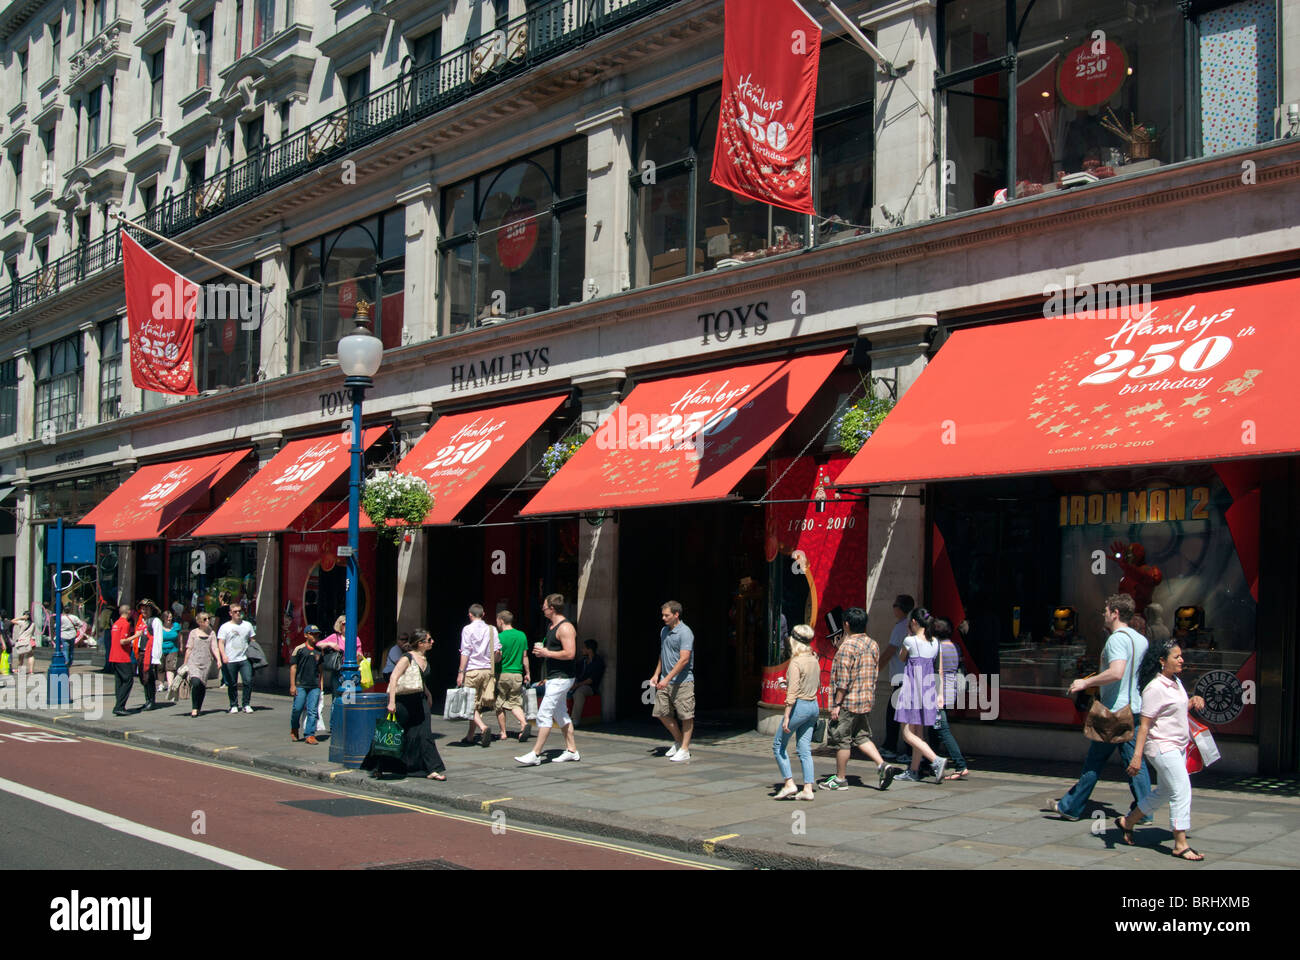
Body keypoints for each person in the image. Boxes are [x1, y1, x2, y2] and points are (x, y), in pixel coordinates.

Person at [1052, 593, 1151, 821]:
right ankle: (1144, 811)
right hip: (1134, 709)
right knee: (1135, 762)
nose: (1104, 614)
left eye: (1106, 610)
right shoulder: (1140, 639)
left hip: (1114, 711)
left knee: (1094, 763)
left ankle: (1070, 807)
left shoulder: (1116, 639)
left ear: (1115, 613)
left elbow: (1116, 672)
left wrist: (1085, 682)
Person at [1114, 640, 1207, 860]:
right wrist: (1136, 757)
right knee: (1181, 789)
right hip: (1162, 747)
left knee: (1165, 791)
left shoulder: (1175, 681)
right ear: (1162, 661)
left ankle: (1127, 822)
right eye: (1177, 657)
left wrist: (1192, 700)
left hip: (1178, 745)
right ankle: (1180, 844)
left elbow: (1175, 709)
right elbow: (1144, 726)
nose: (1182, 660)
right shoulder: (1154, 688)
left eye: (1181, 656)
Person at [818, 606, 898, 791]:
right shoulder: (872, 644)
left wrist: (837, 704)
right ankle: (882, 765)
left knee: (842, 740)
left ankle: (840, 779)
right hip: (865, 699)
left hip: (848, 702)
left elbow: (843, 681)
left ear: (846, 624)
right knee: (861, 736)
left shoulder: (847, 647)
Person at [362, 629, 446, 780]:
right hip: (403, 701)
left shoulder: (424, 658)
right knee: (393, 734)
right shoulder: (407, 658)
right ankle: (378, 766)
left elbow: (419, 678)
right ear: (420, 643)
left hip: (419, 700)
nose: (432, 642)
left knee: (424, 734)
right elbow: (393, 677)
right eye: (429, 640)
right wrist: (392, 702)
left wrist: (427, 693)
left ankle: (432, 769)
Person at [515, 594, 580, 766]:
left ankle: (535, 754)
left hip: (562, 677)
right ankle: (572, 750)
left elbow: (570, 653)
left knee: (544, 714)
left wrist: (546, 653)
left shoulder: (565, 628)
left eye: (544, 606)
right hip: (554, 677)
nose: (542, 609)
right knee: (561, 713)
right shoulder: (552, 626)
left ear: (552, 608)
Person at [894, 609, 947, 783]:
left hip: (912, 688)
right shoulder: (936, 643)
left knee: (907, 733)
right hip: (928, 688)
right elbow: (939, 670)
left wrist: (908, 636)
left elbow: (902, 658)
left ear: (914, 622)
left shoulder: (910, 640)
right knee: (918, 733)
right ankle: (914, 770)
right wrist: (940, 694)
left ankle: (935, 759)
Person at [772, 625, 821, 800]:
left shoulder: (796, 662)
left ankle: (789, 783)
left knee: (778, 746)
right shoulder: (814, 658)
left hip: (799, 707)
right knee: (804, 748)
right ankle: (808, 788)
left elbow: (792, 694)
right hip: (813, 706)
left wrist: (786, 716)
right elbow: (814, 684)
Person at [650, 600, 695, 762]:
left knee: (686, 715)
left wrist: (667, 678)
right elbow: (663, 654)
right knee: (661, 712)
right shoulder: (664, 631)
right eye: (663, 615)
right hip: (664, 680)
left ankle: (685, 748)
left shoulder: (685, 632)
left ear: (676, 615)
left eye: (666, 615)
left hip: (683, 681)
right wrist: (656, 674)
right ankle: (678, 741)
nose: (663, 618)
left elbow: (684, 659)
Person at [457, 603, 501, 747]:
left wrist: (461, 672)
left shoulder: (467, 629)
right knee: (477, 705)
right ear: (483, 614)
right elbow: (497, 653)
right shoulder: (492, 629)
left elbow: (465, 651)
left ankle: (483, 728)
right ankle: (470, 735)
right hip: (488, 670)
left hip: (472, 670)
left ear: (470, 615)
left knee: (470, 704)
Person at [879, 594, 914, 761]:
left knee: (895, 714)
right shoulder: (908, 626)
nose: (893, 607)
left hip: (901, 677)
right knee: (900, 714)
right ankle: (899, 747)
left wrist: (876, 668)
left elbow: (890, 651)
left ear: (899, 608)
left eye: (894, 604)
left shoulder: (900, 627)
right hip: (904, 676)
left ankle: (894, 747)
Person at [934, 618, 970, 780]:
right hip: (951, 691)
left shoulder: (938, 648)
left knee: (943, 730)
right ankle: (929, 763)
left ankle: (960, 765)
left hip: (939, 693)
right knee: (934, 728)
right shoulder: (955, 646)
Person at [494, 610, 531, 742]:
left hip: (503, 673)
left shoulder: (499, 637)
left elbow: (497, 657)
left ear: (501, 621)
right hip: (517, 674)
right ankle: (523, 723)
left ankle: (503, 732)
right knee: (515, 702)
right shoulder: (522, 635)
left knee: (500, 703)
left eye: (497, 620)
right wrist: (527, 673)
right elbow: (525, 656)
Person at [217, 602, 257, 714]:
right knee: (232, 683)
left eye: (240, 611)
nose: (238, 613)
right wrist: (223, 656)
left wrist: (254, 653)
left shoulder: (247, 625)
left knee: (248, 681)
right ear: (230, 613)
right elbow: (221, 642)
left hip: (244, 658)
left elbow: (252, 640)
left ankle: (246, 704)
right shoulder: (225, 627)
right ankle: (233, 704)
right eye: (235, 611)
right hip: (230, 659)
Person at [289, 626, 325, 744]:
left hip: (314, 685)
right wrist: (292, 685)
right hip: (301, 684)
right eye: (312, 634)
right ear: (306, 635)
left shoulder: (319, 651)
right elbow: (293, 667)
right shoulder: (299, 649)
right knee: (297, 708)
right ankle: (294, 728)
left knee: (313, 710)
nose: (314, 636)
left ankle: (310, 734)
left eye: (316, 634)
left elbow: (320, 670)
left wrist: (321, 686)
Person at [316, 615, 352, 735]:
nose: (346, 626)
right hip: (338, 671)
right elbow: (319, 644)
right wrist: (331, 645)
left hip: (350, 672)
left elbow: (360, 652)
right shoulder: (334, 637)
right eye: (344, 623)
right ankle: (334, 725)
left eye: (348, 623)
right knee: (336, 698)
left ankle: (347, 724)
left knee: (349, 699)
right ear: (339, 625)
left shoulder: (354, 638)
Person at [183, 612, 218, 717]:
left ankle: (199, 707)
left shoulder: (212, 633)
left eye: (208, 619)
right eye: (205, 619)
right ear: (199, 622)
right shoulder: (193, 633)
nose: (208, 621)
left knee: (202, 685)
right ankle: (194, 708)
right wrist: (185, 663)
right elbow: (189, 649)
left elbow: (215, 648)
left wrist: (219, 660)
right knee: (196, 682)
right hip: (193, 662)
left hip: (206, 662)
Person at [108, 605, 140, 716]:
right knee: (128, 680)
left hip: (113, 656)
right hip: (122, 656)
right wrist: (136, 635)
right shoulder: (125, 624)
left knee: (119, 681)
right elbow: (123, 641)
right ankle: (119, 706)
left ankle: (119, 704)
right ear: (128, 612)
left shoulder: (116, 623)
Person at [135, 600, 164, 710]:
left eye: (146, 608)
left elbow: (157, 639)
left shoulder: (155, 621)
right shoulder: (141, 621)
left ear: (151, 609)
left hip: (150, 654)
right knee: (143, 678)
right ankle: (147, 700)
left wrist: (155, 657)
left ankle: (151, 701)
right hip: (142, 653)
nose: (144, 610)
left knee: (149, 677)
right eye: (142, 608)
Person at [570, 639, 605, 727]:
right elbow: (576, 673)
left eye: (584, 648)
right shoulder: (583, 661)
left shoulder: (598, 662)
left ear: (589, 649)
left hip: (590, 687)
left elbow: (591, 680)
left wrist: (577, 685)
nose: (582, 650)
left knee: (579, 692)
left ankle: (575, 720)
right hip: (578, 683)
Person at [159, 609, 183, 700]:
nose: (169, 619)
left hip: (172, 649)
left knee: (170, 667)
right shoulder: (160, 626)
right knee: (160, 667)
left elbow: (180, 636)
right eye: (167, 617)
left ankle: (170, 686)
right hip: (161, 649)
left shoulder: (176, 626)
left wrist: (181, 646)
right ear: (163, 618)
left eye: (170, 617)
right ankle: (161, 684)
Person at [10, 611, 37, 678]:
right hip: (30, 641)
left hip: (22, 641)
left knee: (21, 656)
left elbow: (12, 621)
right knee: (31, 655)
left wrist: (21, 618)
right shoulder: (33, 624)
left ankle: (20, 671)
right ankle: (31, 671)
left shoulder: (22, 623)